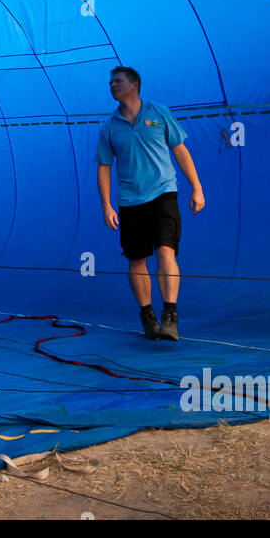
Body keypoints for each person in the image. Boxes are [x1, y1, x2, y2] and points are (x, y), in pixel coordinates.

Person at [96, 66, 205, 341]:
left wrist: (197, 188)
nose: (112, 86)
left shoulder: (159, 113)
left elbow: (180, 150)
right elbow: (104, 167)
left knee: (166, 251)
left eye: (118, 82)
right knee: (137, 260)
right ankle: (147, 315)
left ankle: (170, 315)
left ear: (135, 85)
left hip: (164, 192)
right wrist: (107, 205)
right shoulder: (109, 126)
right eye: (110, 83)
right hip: (130, 200)